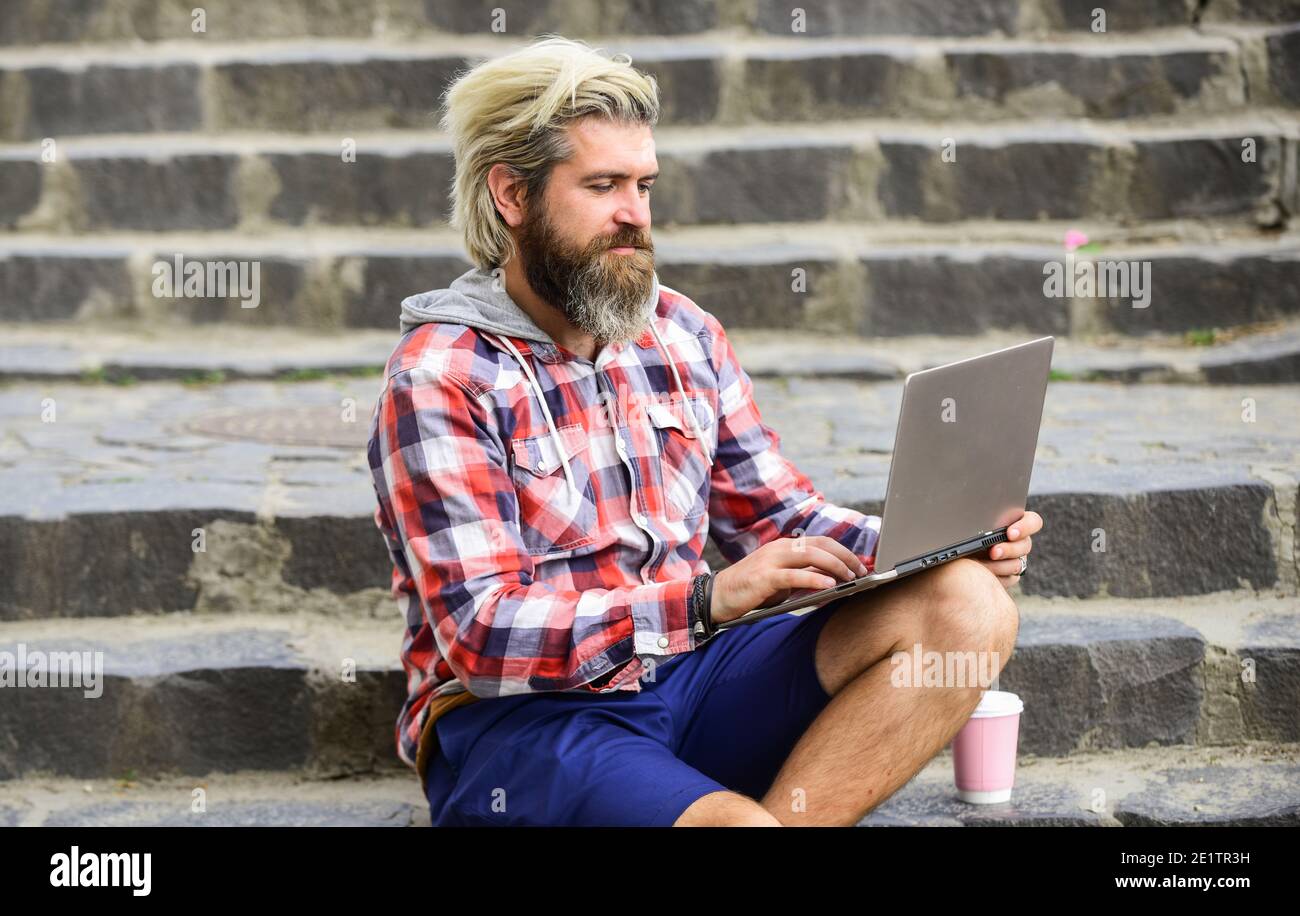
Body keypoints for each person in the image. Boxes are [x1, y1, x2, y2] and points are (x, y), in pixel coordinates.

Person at [366, 35, 1041, 827]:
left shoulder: (681, 333)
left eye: (645, 185)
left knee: (967, 607)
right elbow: (482, 632)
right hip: (524, 723)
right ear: (511, 196)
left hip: (690, 679)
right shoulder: (441, 375)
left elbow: (781, 516)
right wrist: (703, 602)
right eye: (603, 185)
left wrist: (940, 542)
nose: (635, 215)